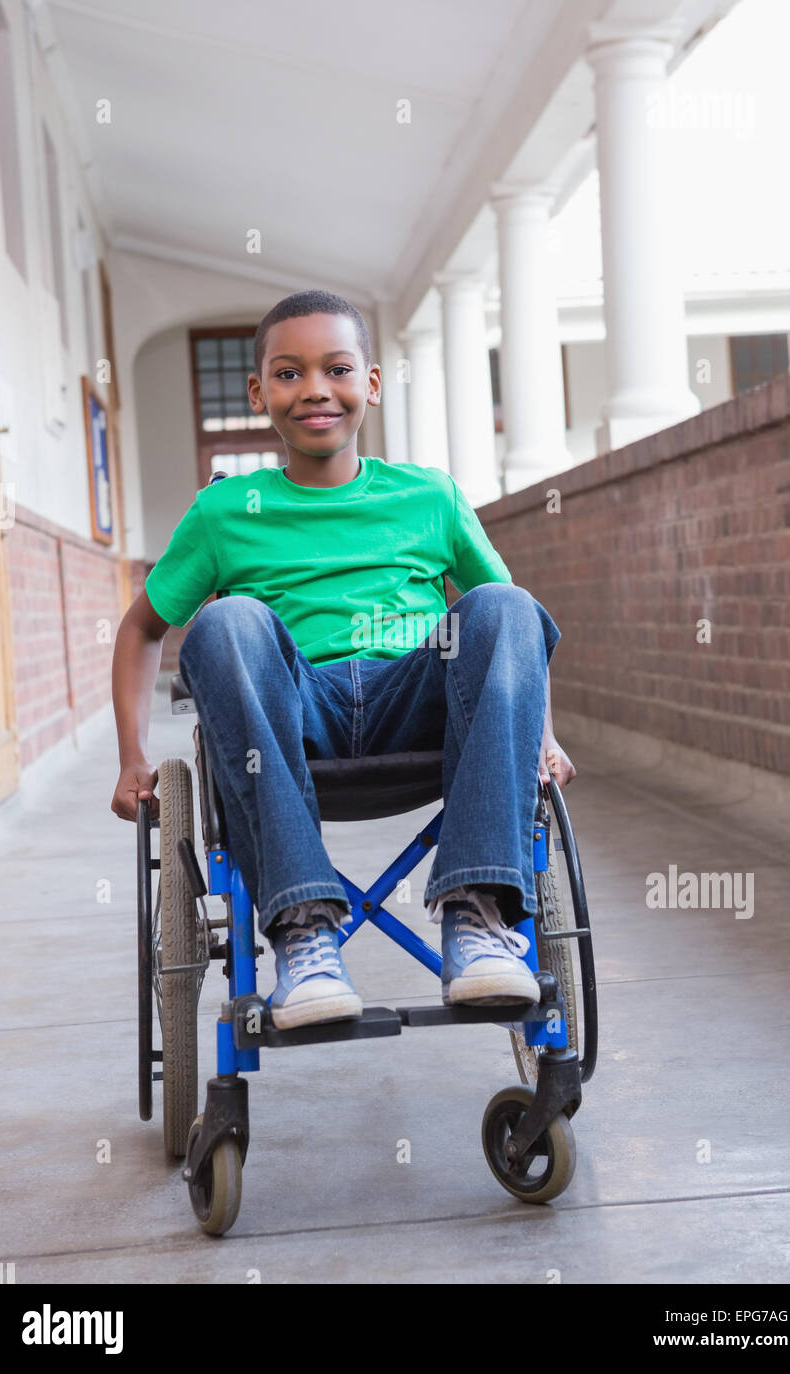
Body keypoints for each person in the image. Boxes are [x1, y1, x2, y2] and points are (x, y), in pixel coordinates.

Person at [111, 289, 576, 1031]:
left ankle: (479, 913)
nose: (316, 390)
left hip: (414, 704)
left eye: (337, 369)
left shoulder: (430, 495)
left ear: (372, 384)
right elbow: (141, 629)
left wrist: (541, 738)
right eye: (290, 374)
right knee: (227, 619)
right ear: (260, 392)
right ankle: (303, 931)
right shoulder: (225, 512)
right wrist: (133, 756)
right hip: (295, 714)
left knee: (503, 602)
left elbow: (512, 636)